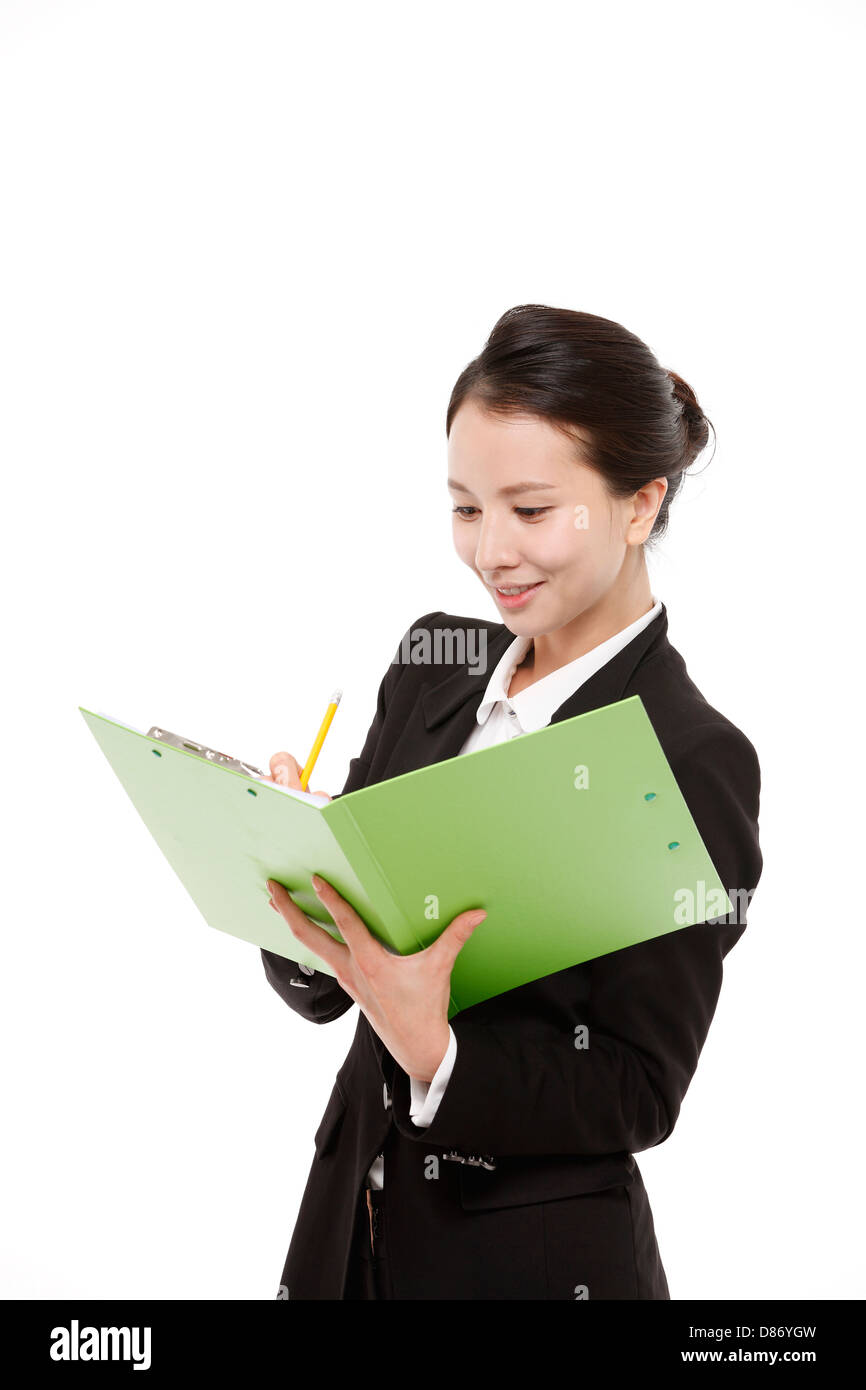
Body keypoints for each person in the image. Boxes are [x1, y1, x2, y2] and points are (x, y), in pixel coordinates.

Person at [260, 304, 763, 1300]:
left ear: (635, 504)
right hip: (344, 1243)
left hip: (524, 1273)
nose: (489, 551)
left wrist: (436, 1050)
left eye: (529, 511)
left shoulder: (687, 756)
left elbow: (638, 1086)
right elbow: (327, 984)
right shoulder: (430, 666)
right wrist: (290, 865)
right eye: (464, 507)